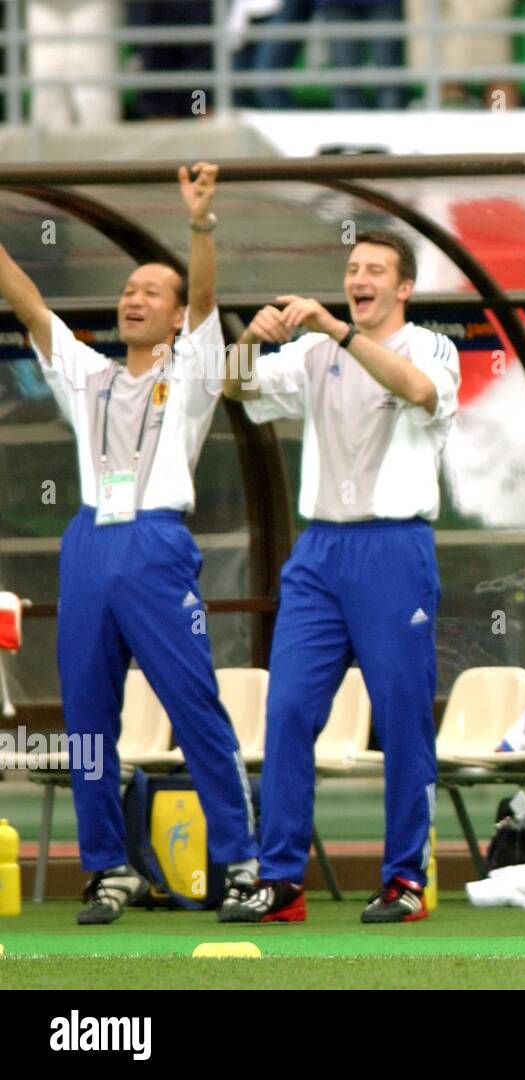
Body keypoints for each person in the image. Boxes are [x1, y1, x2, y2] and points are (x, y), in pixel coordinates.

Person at [0, 163, 258, 924]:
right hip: (89, 544)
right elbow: (25, 298)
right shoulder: (89, 374)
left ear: (177, 318)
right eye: (128, 289)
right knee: (85, 721)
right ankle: (110, 867)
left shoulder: (194, 370)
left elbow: (209, 299)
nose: (134, 297)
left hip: (154, 546)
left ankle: (239, 861)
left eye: (151, 290)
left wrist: (200, 223)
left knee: (194, 704)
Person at [220, 229, 460, 923]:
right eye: (352, 269)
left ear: (403, 288)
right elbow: (238, 386)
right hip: (319, 553)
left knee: (401, 719)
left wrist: (333, 328)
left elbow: (417, 389)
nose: (359, 279)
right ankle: (282, 879)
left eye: (375, 271)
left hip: (394, 549)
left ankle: (404, 881)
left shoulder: (428, 345)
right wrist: (249, 339)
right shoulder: (314, 351)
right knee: (289, 710)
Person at [27, 0, 119, 127]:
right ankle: (47, 144)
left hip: (91, 6)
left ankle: (104, 143)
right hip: (44, 7)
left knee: (95, 95)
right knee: (48, 92)